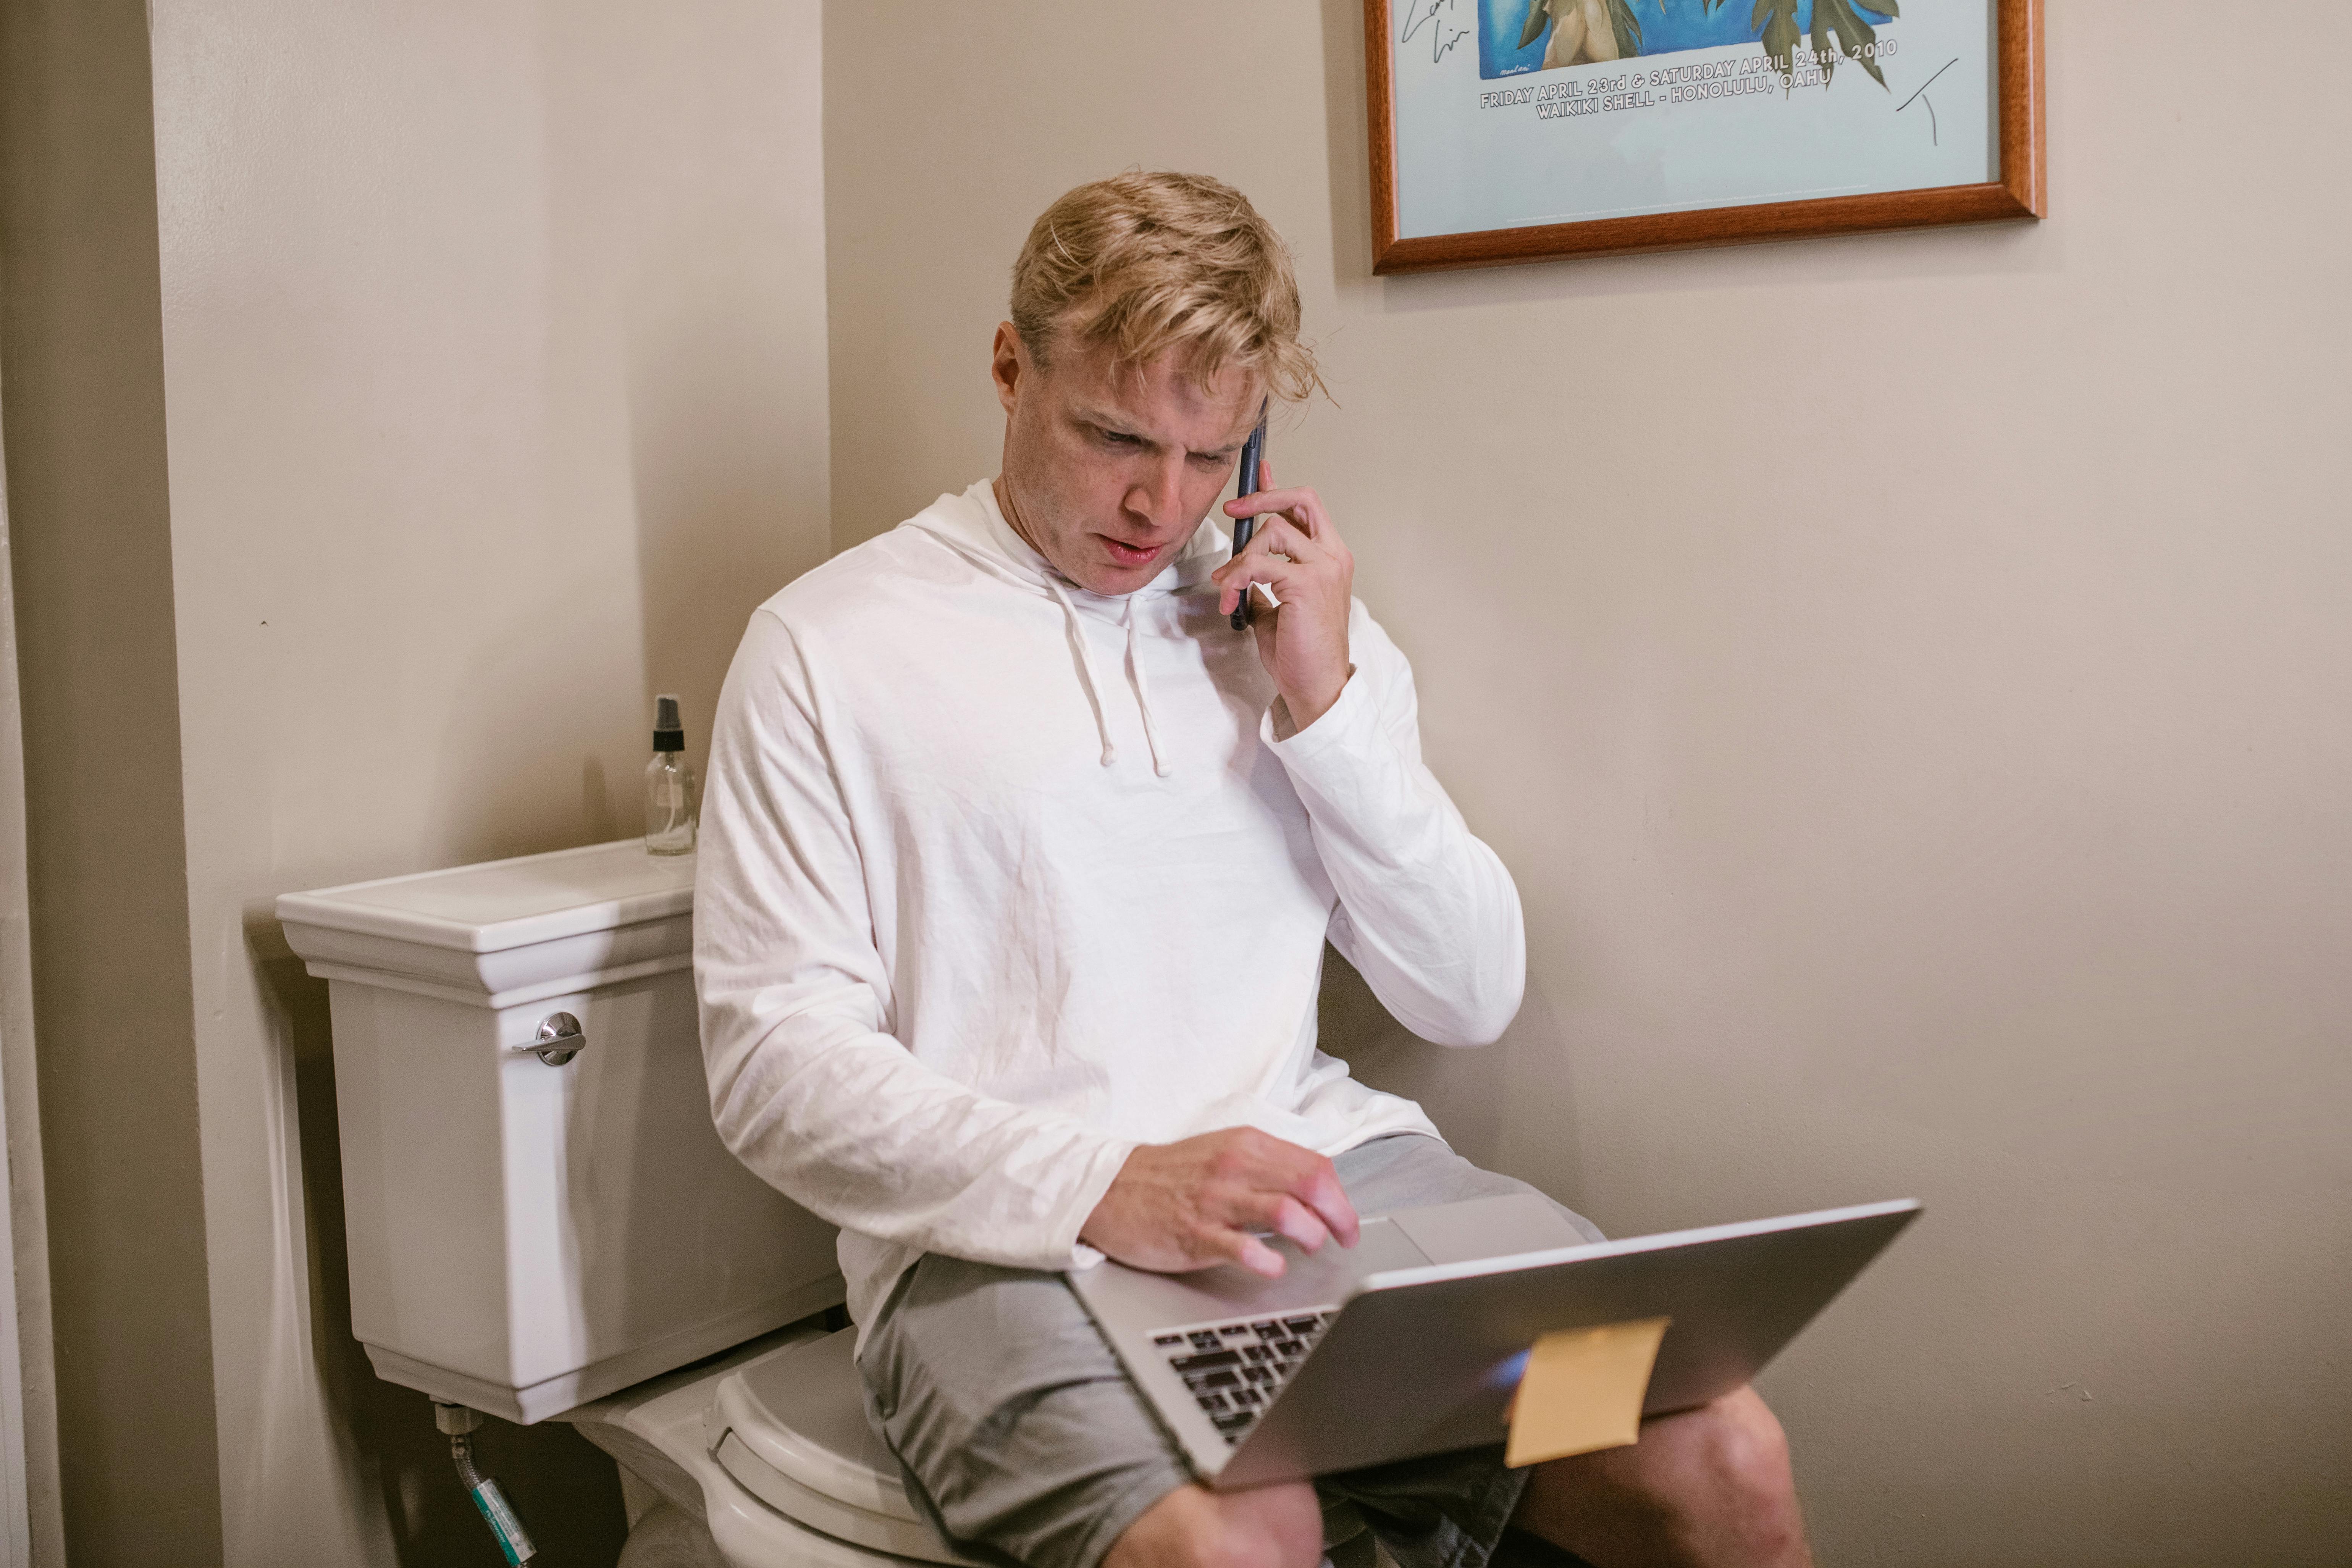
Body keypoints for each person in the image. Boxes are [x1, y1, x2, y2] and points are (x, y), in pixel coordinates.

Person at [695, 171, 1812, 1568]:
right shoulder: (828, 646)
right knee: (1235, 1541)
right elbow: (771, 1065)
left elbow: (1468, 994)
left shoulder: (1286, 626)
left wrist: (1327, 702)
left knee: (1716, 1449)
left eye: (1213, 453)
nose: (1162, 504)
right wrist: (1107, 1180)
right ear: (1008, 367)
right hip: (1005, 1251)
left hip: (1342, 1194)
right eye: (1114, 436)